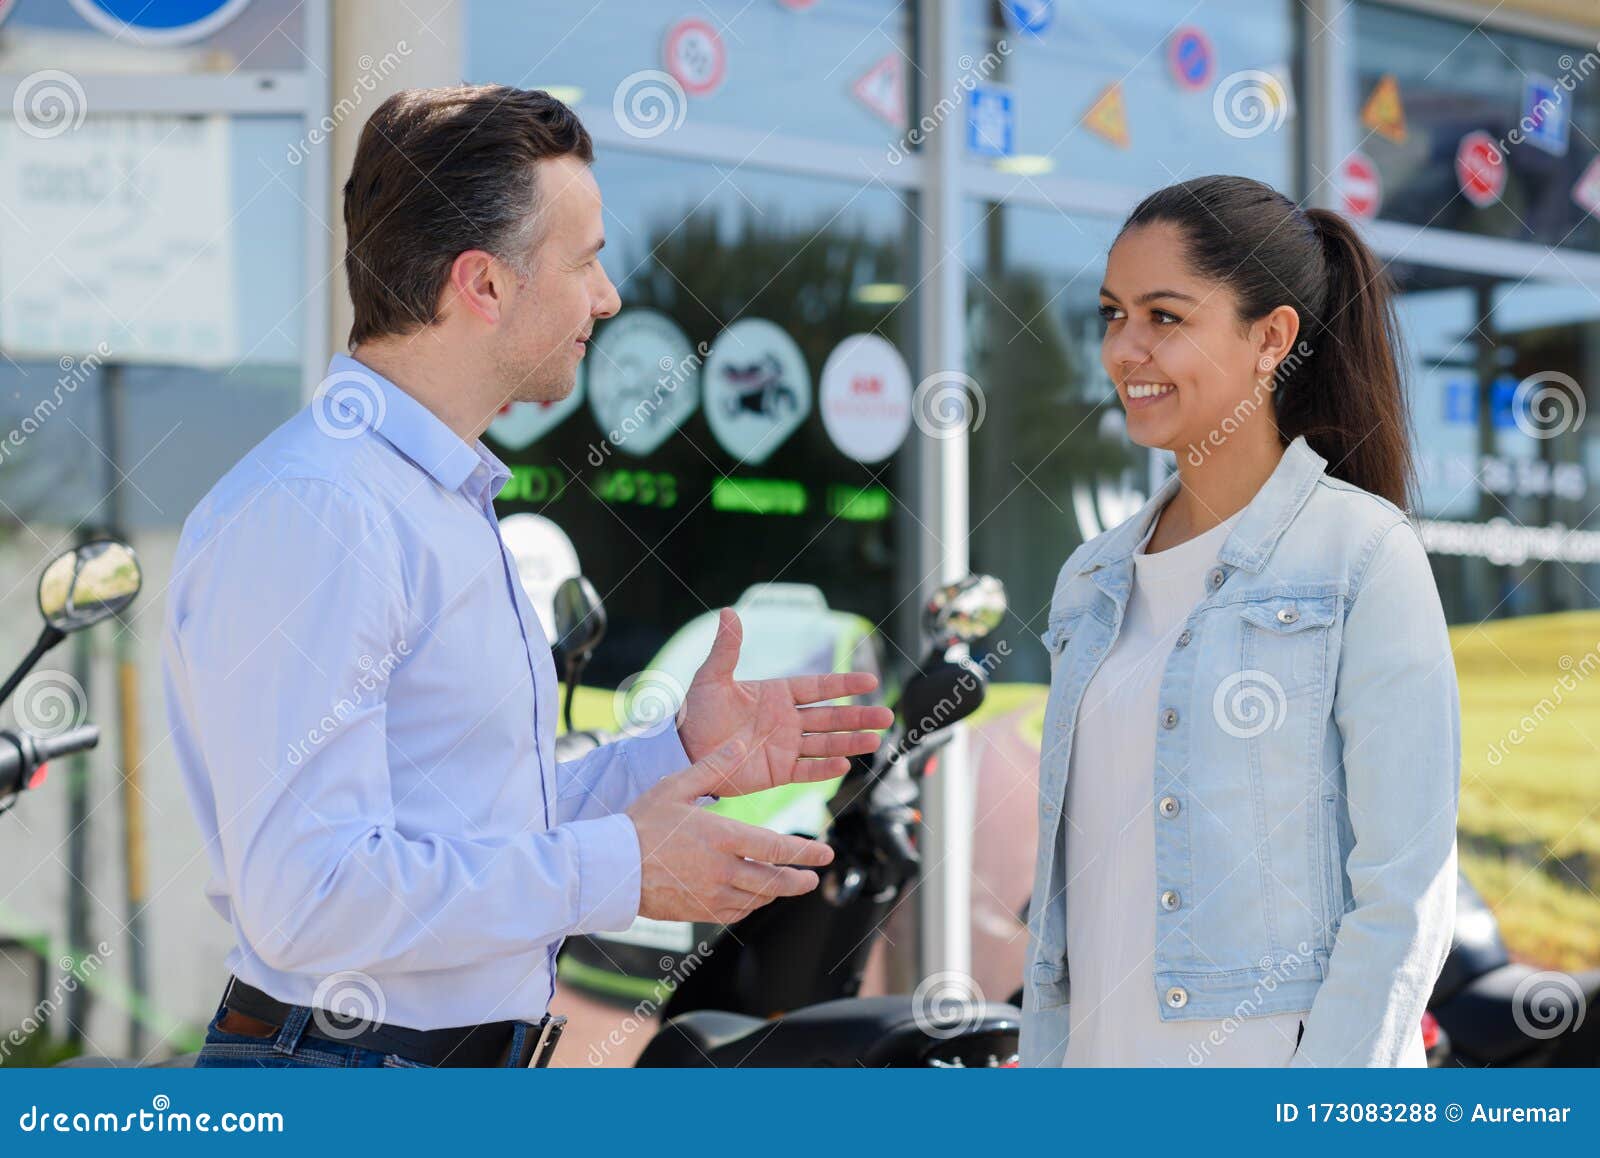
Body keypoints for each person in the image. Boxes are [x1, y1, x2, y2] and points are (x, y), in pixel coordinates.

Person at [163, 85, 893, 1069]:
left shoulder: (432, 498)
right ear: (484, 285)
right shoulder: (321, 511)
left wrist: (678, 752)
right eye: (584, 260)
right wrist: (620, 868)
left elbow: (478, 825)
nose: (609, 296)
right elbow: (311, 896)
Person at [1018, 175, 1460, 1068]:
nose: (1125, 349)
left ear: (1271, 339)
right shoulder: (1090, 580)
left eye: (1164, 316)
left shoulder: (1361, 554)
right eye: (1112, 315)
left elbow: (1405, 895)